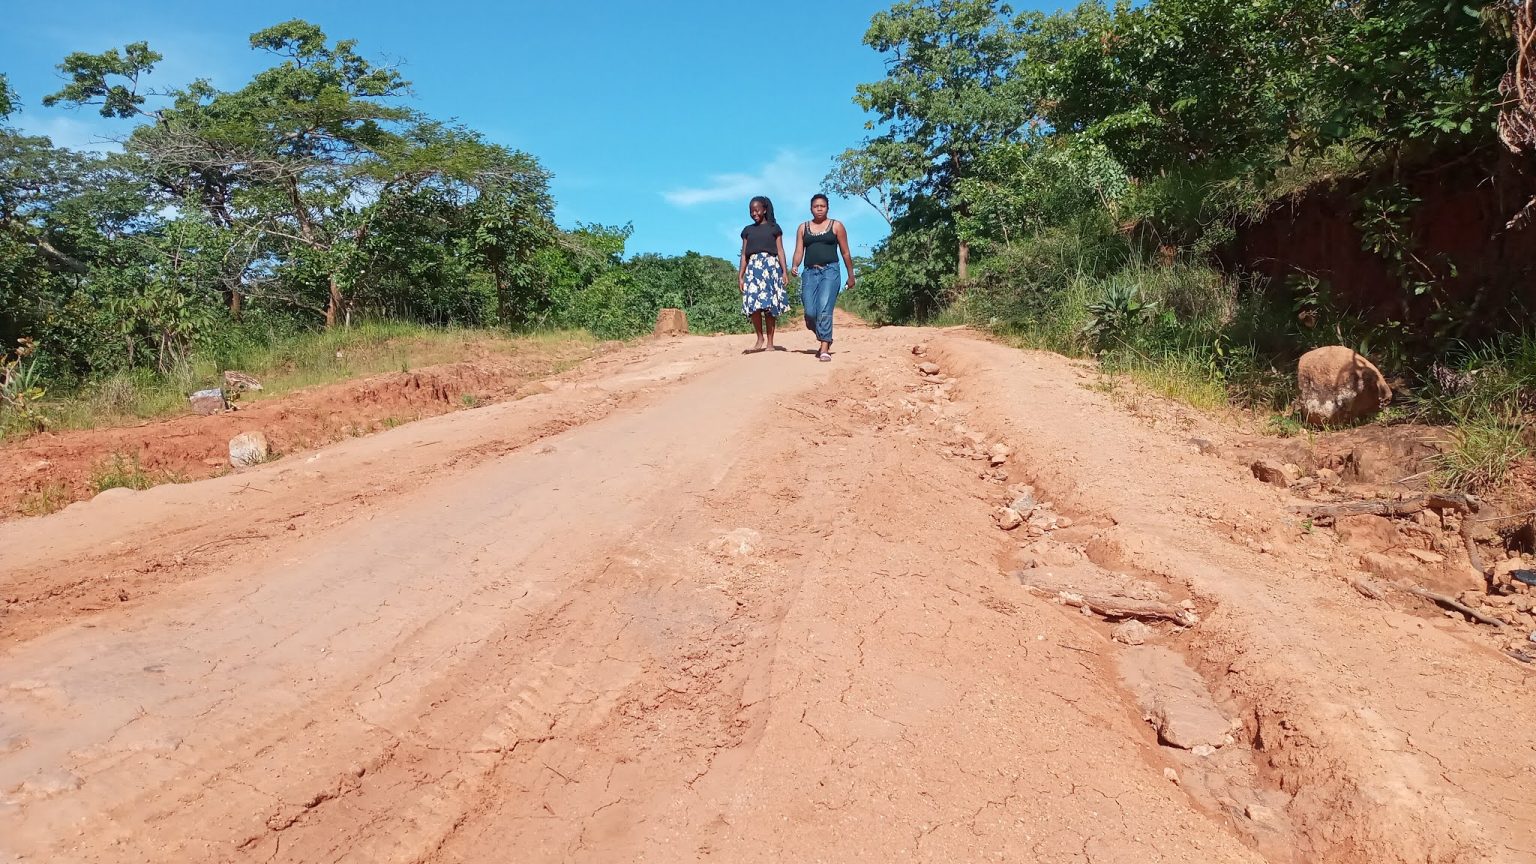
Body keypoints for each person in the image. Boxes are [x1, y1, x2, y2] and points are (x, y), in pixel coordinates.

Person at [791, 193, 855, 361]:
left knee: (824, 308)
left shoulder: (836, 226)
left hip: (830, 271)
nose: (819, 209)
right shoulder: (803, 228)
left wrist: (851, 275)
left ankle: (825, 347)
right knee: (810, 313)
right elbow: (799, 251)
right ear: (811, 208)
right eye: (815, 206)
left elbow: (845, 252)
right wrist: (795, 265)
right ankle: (825, 336)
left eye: (822, 206)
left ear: (827, 208)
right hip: (810, 273)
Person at [738, 195, 791, 353]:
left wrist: (784, 271)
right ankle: (759, 337)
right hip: (753, 270)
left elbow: (780, 250)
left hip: (770, 269)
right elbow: (744, 255)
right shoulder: (747, 231)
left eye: (757, 210)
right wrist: (740, 276)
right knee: (753, 307)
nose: (754, 213)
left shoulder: (774, 228)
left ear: (765, 209)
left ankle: (770, 342)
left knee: (769, 307)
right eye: (751, 211)